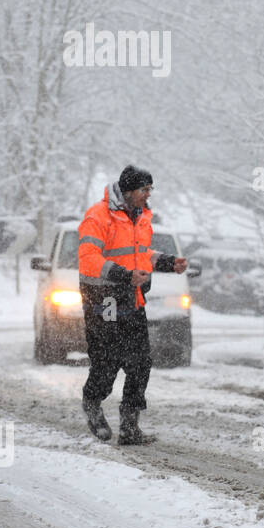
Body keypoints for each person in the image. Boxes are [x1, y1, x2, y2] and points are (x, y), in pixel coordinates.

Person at [77, 166, 187, 445]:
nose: (148, 194)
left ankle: (130, 426)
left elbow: (140, 255)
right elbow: (88, 258)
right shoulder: (98, 215)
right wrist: (123, 275)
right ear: (127, 191)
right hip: (104, 298)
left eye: (150, 189)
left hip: (132, 297)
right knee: (107, 359)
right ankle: (92, 402)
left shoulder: (141, 216)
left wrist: (167, 262)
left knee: (140, 362)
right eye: (144, 189)